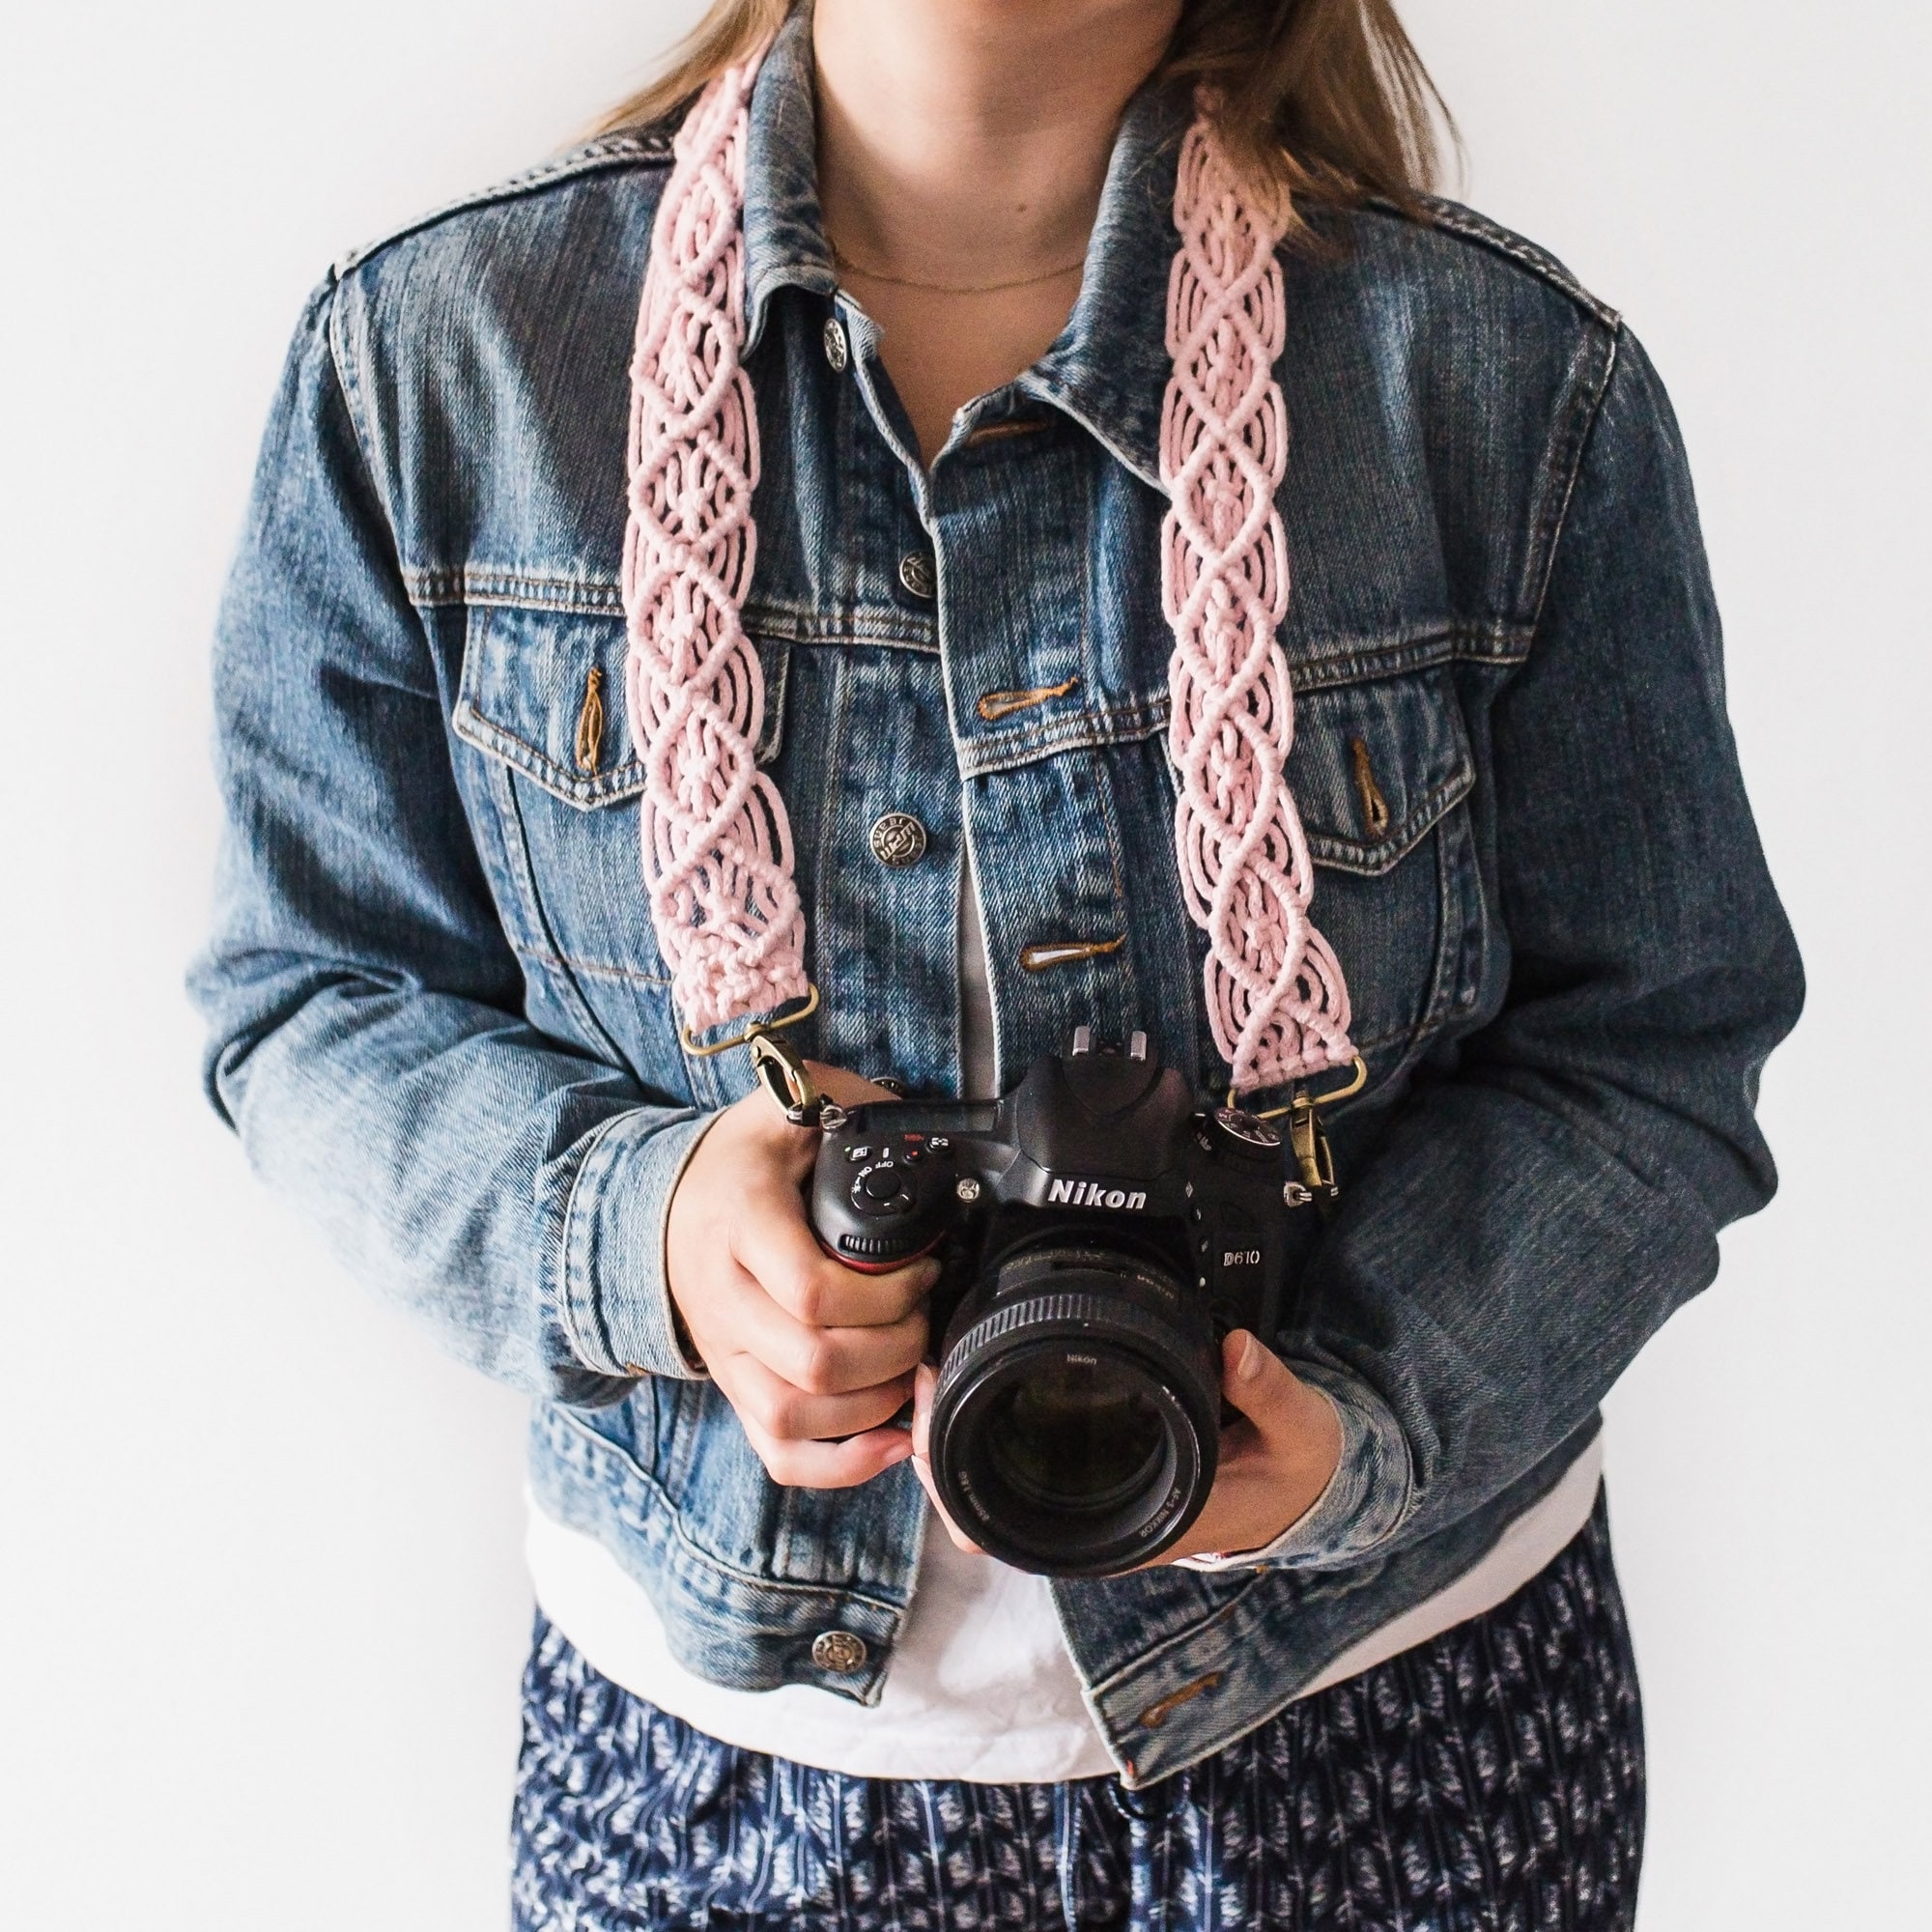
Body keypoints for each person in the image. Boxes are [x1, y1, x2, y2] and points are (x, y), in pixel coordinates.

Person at [191, 0, 1804, 1924]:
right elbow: (314, 999)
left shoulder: (1501, 385)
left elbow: (1647, 1052)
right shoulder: (437, 362)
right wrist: (651, 1228)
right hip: (719, 1776)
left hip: (1386, 1720)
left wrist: (1356, 1428)